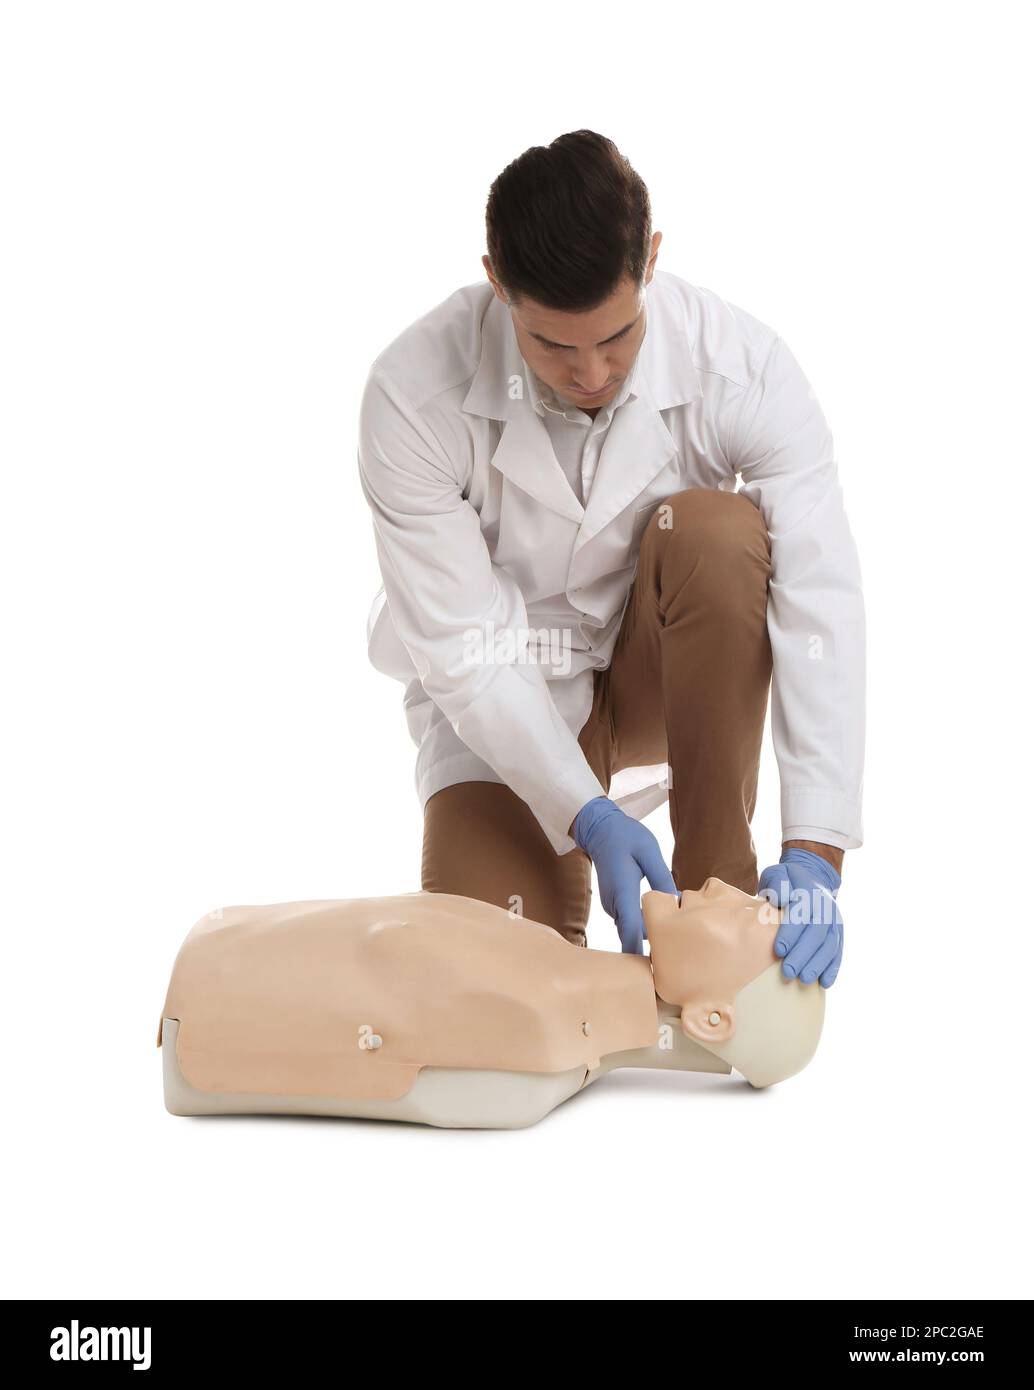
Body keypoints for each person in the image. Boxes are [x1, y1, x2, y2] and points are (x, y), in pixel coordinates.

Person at [357, 130, 864, 986]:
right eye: (555, 346)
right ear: (497, 284)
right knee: (491, 987)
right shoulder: (412, 395)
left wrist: (816, 852)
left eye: (617, 336)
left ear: (653, 260)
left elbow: (820, 601)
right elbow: (461, 653)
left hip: (661, 664)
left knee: (719, 532)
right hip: (504, 677)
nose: (591, 371)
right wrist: (585, 813)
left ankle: (717, 901)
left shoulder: (741, 367)